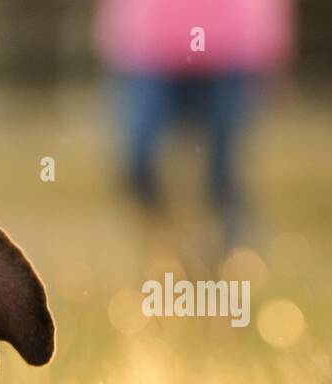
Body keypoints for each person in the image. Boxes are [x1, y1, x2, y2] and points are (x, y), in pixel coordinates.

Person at [96, 0, 295, 254]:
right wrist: (114, 35)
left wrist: (272, 45)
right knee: (137, 156)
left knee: (223, 166)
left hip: (230, 49)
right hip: (150, 49)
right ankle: (165, 234)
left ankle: (230, 249)